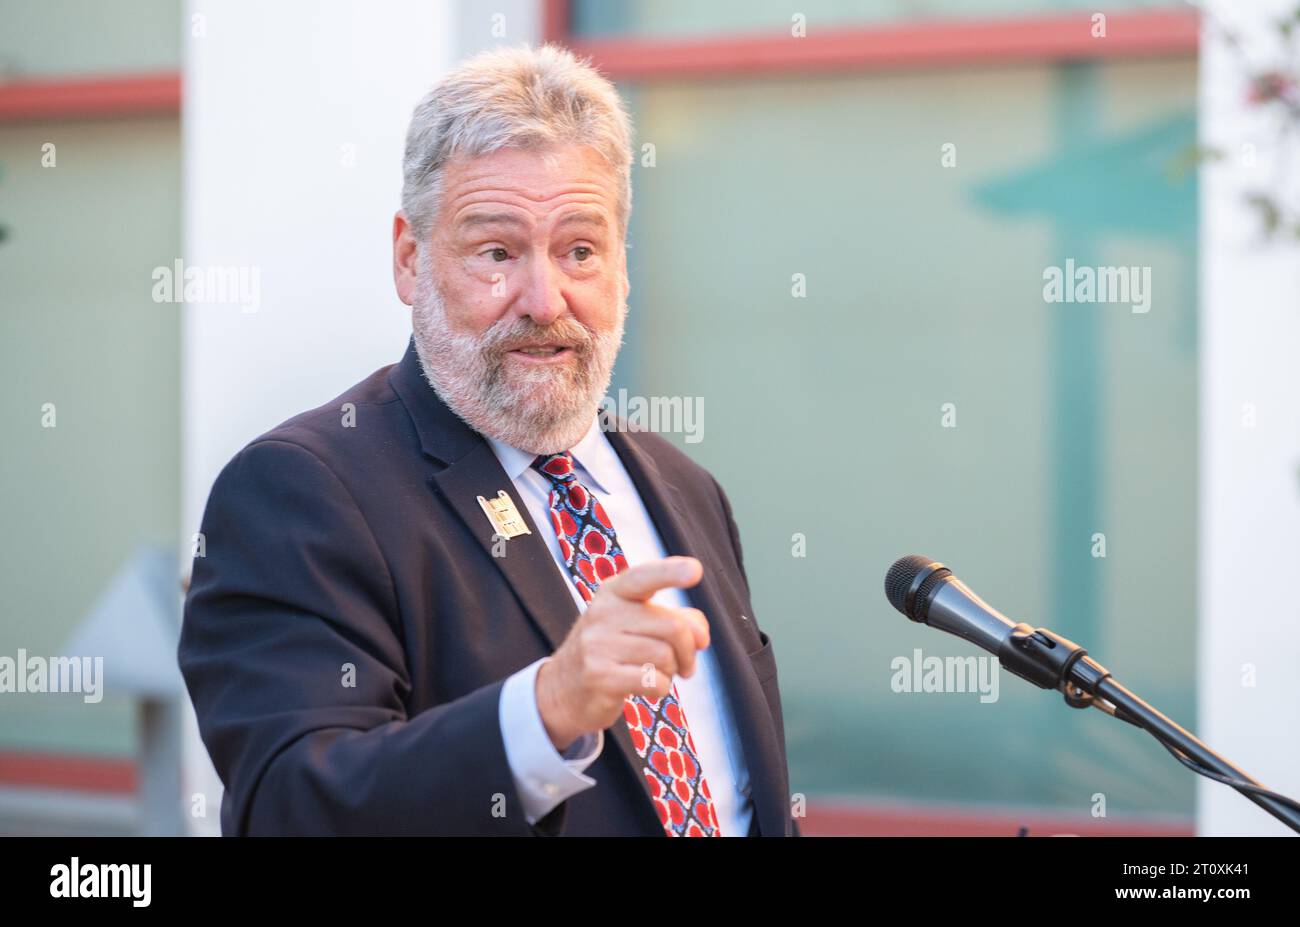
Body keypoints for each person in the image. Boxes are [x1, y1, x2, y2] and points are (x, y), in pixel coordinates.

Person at [178, 42, 796, 837]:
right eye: (497, 252)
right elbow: (290, 807)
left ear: (621, 265)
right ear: (409, 259)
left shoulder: (686, 487)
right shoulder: (302, 490)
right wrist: (545, 709)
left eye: (580, 249)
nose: (545, 299)